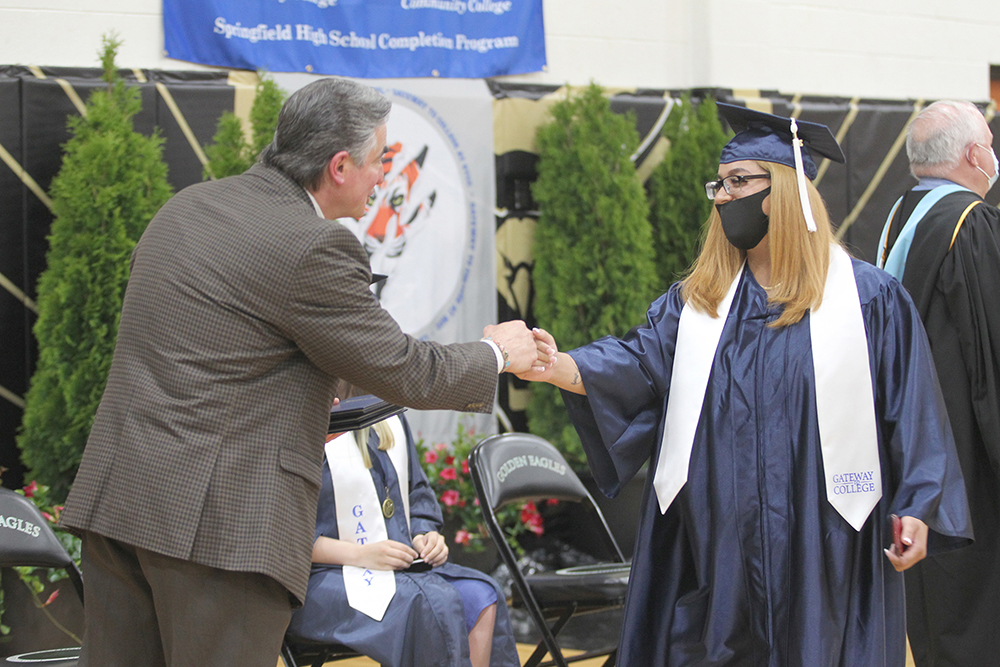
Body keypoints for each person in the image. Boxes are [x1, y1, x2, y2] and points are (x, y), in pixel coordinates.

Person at [59, 76, 539, 667]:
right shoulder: (313, 246)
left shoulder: (186, 207)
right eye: (378, 160)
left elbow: (238, 360)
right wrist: (496, 354)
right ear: (339, 166)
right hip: (220, 534)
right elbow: (405, 370)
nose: (384, 176)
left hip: (122, 501)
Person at [521, 103, 972, 666]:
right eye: (720, 184)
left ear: (784, 190)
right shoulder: (699, 303)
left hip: (826, 540)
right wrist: (558, 364)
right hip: (716, 541)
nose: (722, 196)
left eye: (738, 182)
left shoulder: (868, 300)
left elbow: (915, 409)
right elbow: (639, 364)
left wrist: (920, 505)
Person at [875, 99, 1000, 667]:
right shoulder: (971, 225)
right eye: (990, 141)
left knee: (931, 603)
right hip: (968, 447)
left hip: (913, 443)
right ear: (975, 154)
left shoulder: (898, 216)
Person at [285, 405, 519, 667]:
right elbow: (283, 532)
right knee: (430, 604)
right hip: (320, 578)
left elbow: (416, 492)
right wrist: (361, 554)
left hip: (394, 568)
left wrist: (424, 534)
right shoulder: (299, 415)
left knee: (481, 594)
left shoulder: (386, 413)